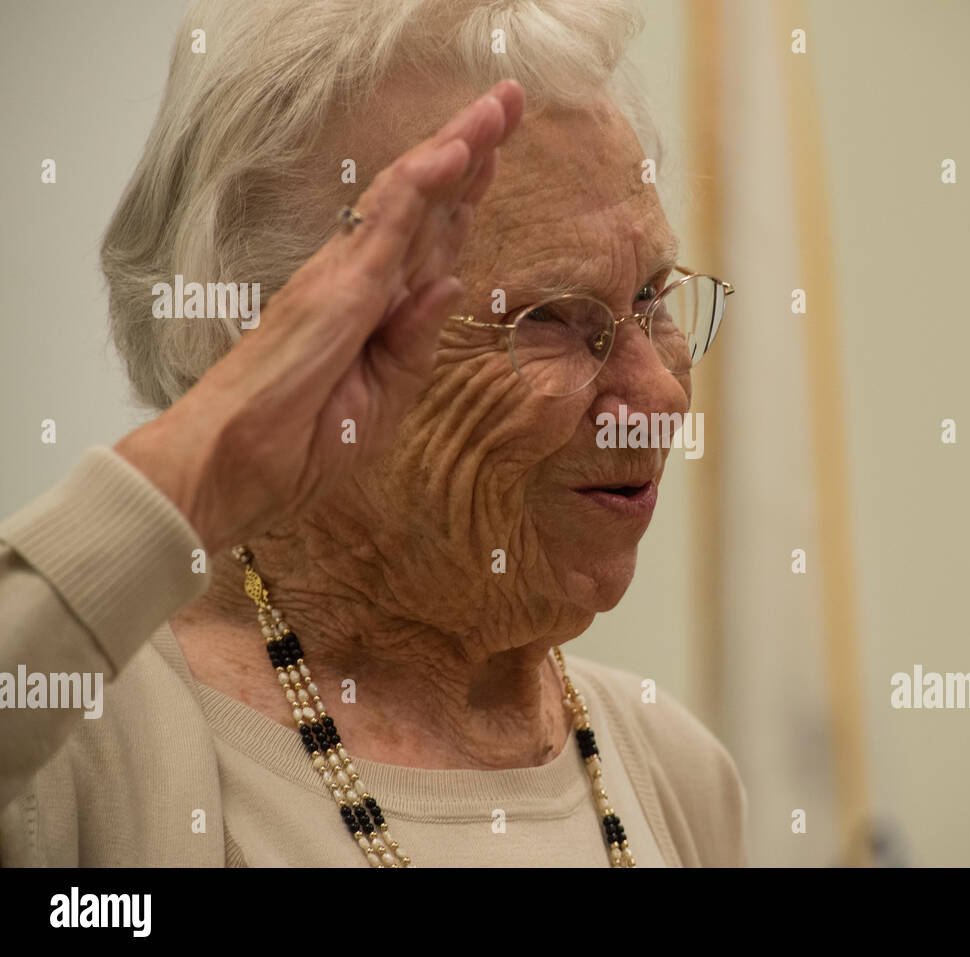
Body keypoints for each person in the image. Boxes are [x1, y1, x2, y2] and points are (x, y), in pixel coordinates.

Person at [0, 0, 746, 867]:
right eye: (550, 319)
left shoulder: (673, 770)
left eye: (653, 297)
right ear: (282, 349)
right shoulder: (78, 748)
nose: (656, 395)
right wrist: (198, 466)